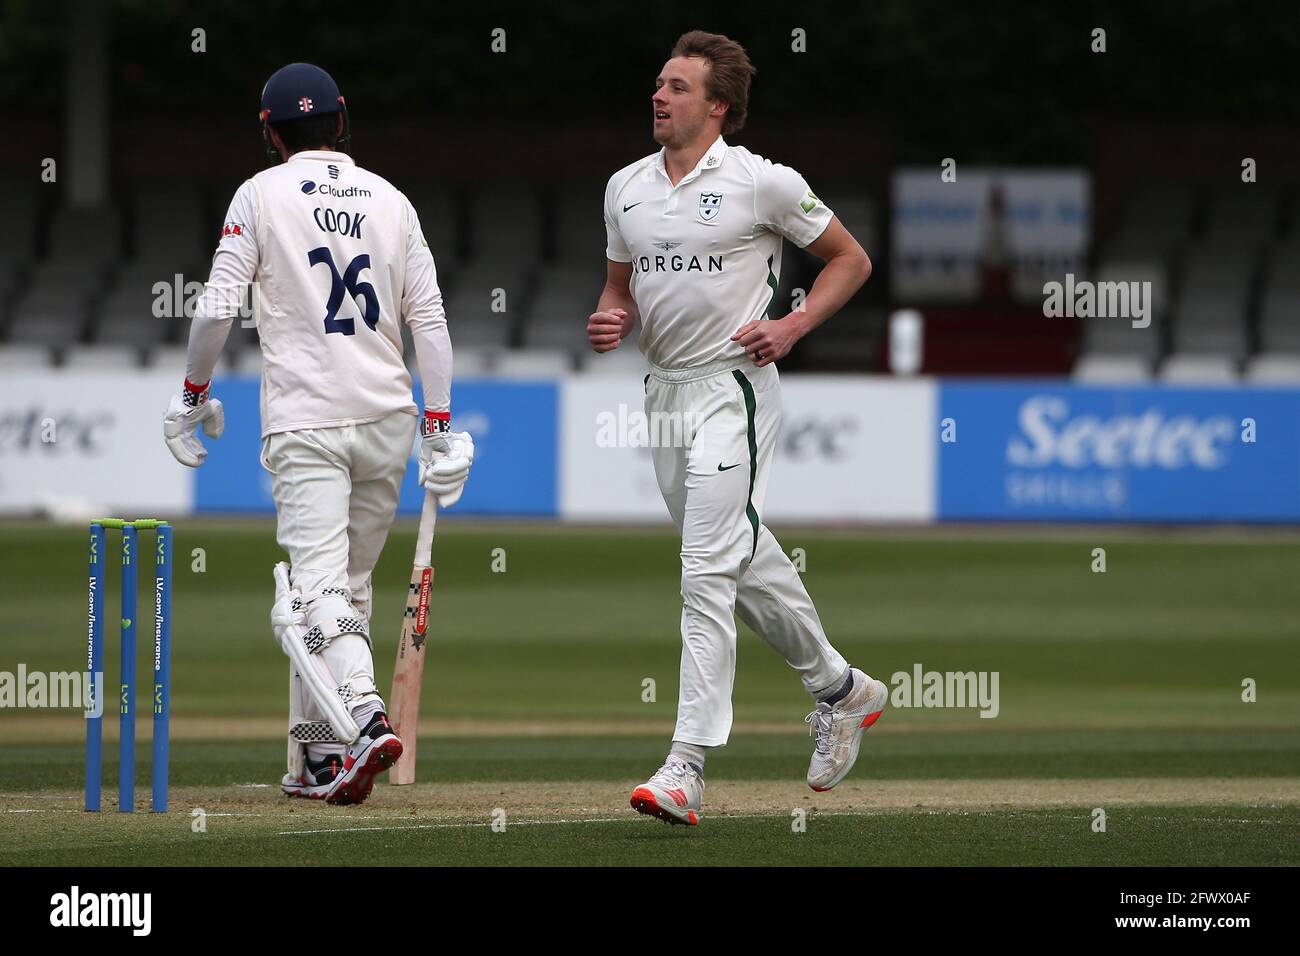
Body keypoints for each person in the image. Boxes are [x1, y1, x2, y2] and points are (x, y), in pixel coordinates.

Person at [588, 32, 883, 825]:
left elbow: (849, 260)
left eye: (677, 87)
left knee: (704, 571)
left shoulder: (765, 183)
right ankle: (841, 689)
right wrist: (613, 317)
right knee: (739, 556)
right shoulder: (625, 188)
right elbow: (621, 288)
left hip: (734, 391)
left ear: (718, 105)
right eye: (658, 83)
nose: (658, 96)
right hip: (664, 395)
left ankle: (685, 766)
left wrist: (792, 327)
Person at [162, 63, 474, 805]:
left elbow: (214, 310)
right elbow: (427, 318)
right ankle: (319, 759)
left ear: (269, 131)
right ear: (342, 121)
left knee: (317, 591)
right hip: (388, 418)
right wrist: (438, 425)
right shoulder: (391, 199)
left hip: (308, 419)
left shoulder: (260, 194)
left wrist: (192, 395)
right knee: (342, 596)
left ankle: (365, 718)